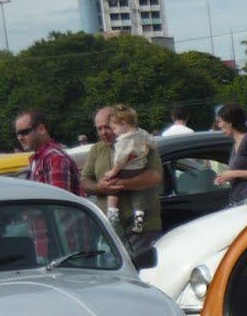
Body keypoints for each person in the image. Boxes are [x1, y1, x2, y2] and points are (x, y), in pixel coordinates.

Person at [81, 106, 163, 255]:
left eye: (107, 127)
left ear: (119, 122)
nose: (103, 132)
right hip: (110, 231)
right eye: (99, 129)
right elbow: (85, 181)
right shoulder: (97, 149)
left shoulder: (140, 142)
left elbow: (156, 177)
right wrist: (100, 187)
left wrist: (121, 184)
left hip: (143, 229)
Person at [14, 110, 83, 196]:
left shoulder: (54, 158)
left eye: (24, 132)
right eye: (17, 134)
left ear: (41, 129)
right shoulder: (39, 159)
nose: (20, 138)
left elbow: (59, 201)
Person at [213, 103, 247, 205]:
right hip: (236, 200)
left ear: (230, 122)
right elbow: (239, 170)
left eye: (220, 121)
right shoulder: (236, 142)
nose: (219, 125)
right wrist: (224, 177)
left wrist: (234, 173)